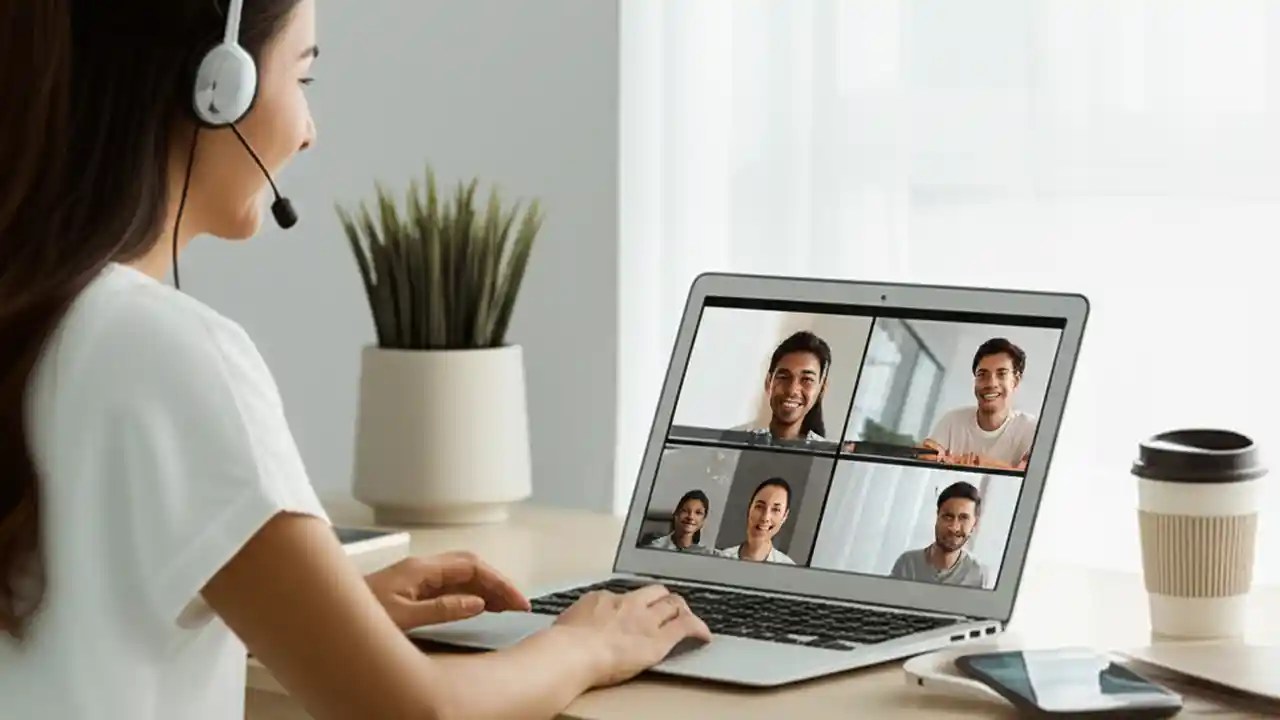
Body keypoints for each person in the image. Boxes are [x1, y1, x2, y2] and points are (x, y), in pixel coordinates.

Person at [0, 2, 710, 718]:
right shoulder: (166, 353)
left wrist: (318, 618)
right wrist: (588, 645)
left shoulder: (34, 319)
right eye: (302, 77)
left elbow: (74, 632)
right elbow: (413, 711)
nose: (309, 131)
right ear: (218, 86)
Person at [922, 338, 1037, 470]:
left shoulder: (1032, 430)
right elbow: (927, 459)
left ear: (1015, 381)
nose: (991, 384)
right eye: (982, 375)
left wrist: (980, 463)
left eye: (1001, 374)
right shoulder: (952, 421)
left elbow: (1030, 475)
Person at [734, 330, 833, 442]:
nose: (792, 390)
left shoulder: (828, 452)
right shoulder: (733, 444)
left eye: (807, 379)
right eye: (784, 377)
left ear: (822, 389)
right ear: (768, 382)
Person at [890, 481, 989, 588]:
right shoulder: (907, 564)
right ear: (937, 516)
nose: (954, 528)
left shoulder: (978, 574)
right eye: (948, 517)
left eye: (963, 518)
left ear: (974, 524)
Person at [716, 478, 797, 564]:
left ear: (785, 516)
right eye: (760, 506)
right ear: (750, 507)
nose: (765, 517)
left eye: (776, 509)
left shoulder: (788, 568)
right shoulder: (721, 559)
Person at [646, 490, 714, 554]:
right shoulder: (654, 548)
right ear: (676, 514)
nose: (691, 517)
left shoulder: (706, 554)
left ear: (703, 521)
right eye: (685, 511)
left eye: (698, 513)